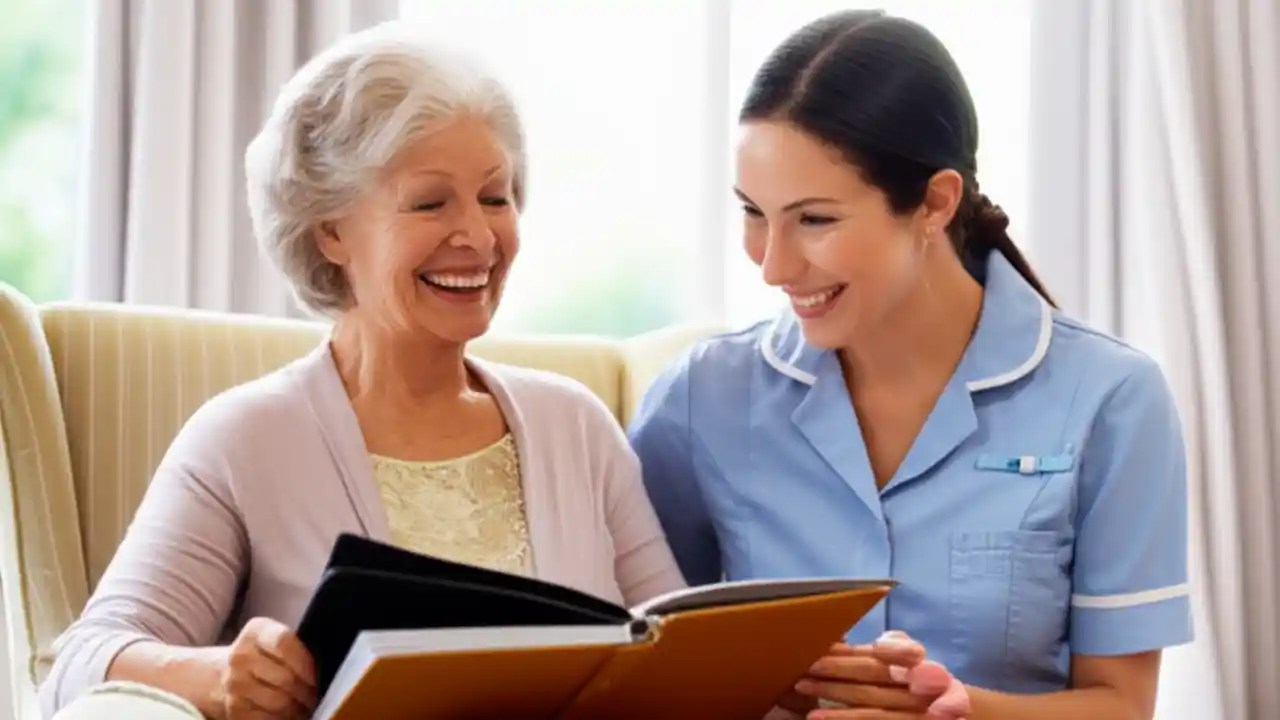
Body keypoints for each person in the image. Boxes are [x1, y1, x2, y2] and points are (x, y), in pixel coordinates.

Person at [39, 24, 686, 719]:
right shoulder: (249, 438)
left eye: (495, 197)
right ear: (331, 230)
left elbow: (679, 653)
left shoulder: (576, 425)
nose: (477, 236)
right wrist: (221, 676)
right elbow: (76, 667)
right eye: (431, 202)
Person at [630, 10, 1191, 720]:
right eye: (752, 212)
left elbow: (1122, 705)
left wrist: (961, 713)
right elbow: (634, 658)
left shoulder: (1111, 400)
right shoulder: (700, 399)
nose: (773, 265)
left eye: (814, 220)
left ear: (934, 202)